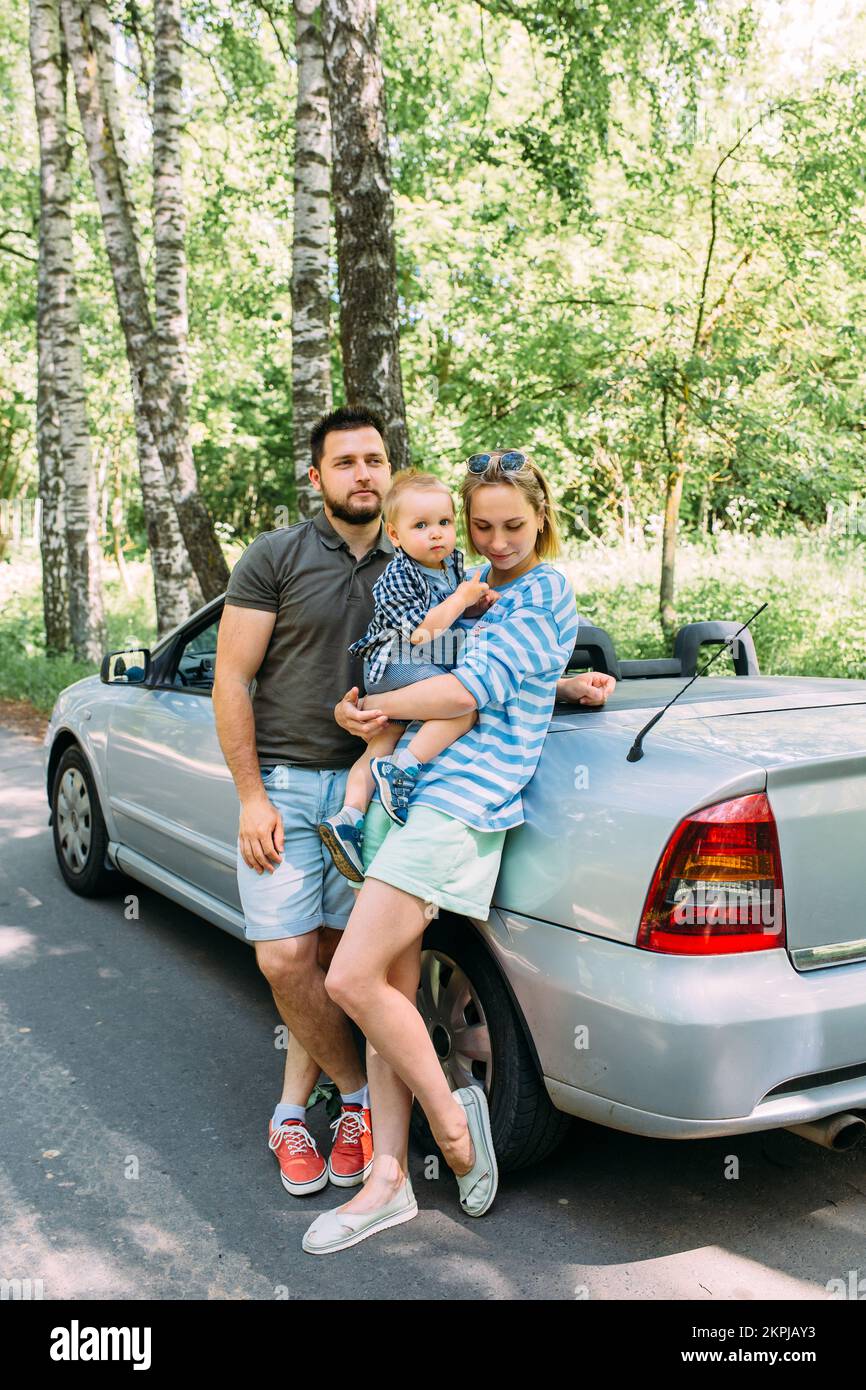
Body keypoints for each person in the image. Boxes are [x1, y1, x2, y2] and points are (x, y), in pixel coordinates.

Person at [301, 448, 616, 1255]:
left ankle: (451, 1119)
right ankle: (387, 1182)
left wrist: (374, 708)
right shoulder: (481, 592)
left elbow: (470, 692)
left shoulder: (543, 587)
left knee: (349, 977)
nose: (498, 539)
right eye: (482, 526)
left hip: (457, 803)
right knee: (389, 999)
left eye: (514, 524)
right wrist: (567, 687)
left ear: (542, 518)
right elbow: (478, 670)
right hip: (413, 792)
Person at [213, 404, 399, 1199]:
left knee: (332, 961)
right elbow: (231, 677)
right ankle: (356, 1096)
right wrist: (252, 796)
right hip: (287, 788)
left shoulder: (420, 560)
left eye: (375, 460)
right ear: (318, 477)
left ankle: (294, 1113)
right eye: (347, 462)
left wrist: (565, 681)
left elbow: (480, 659)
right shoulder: (275, 557)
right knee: (284, 958)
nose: (364, 473)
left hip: (377, 791)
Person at [317, 468, 499, 882]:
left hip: (417, 663)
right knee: (462, 706)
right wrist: (461, 597)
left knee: (382, 738)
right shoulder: (396, 575)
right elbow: (423, 633)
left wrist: (474, 605)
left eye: (444, 523)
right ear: (395, 536)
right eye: (421, 526)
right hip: (394, 662)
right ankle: (403, 768)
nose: (436, 534)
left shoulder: (451, 561)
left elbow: (450, 615)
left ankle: (347, 818)